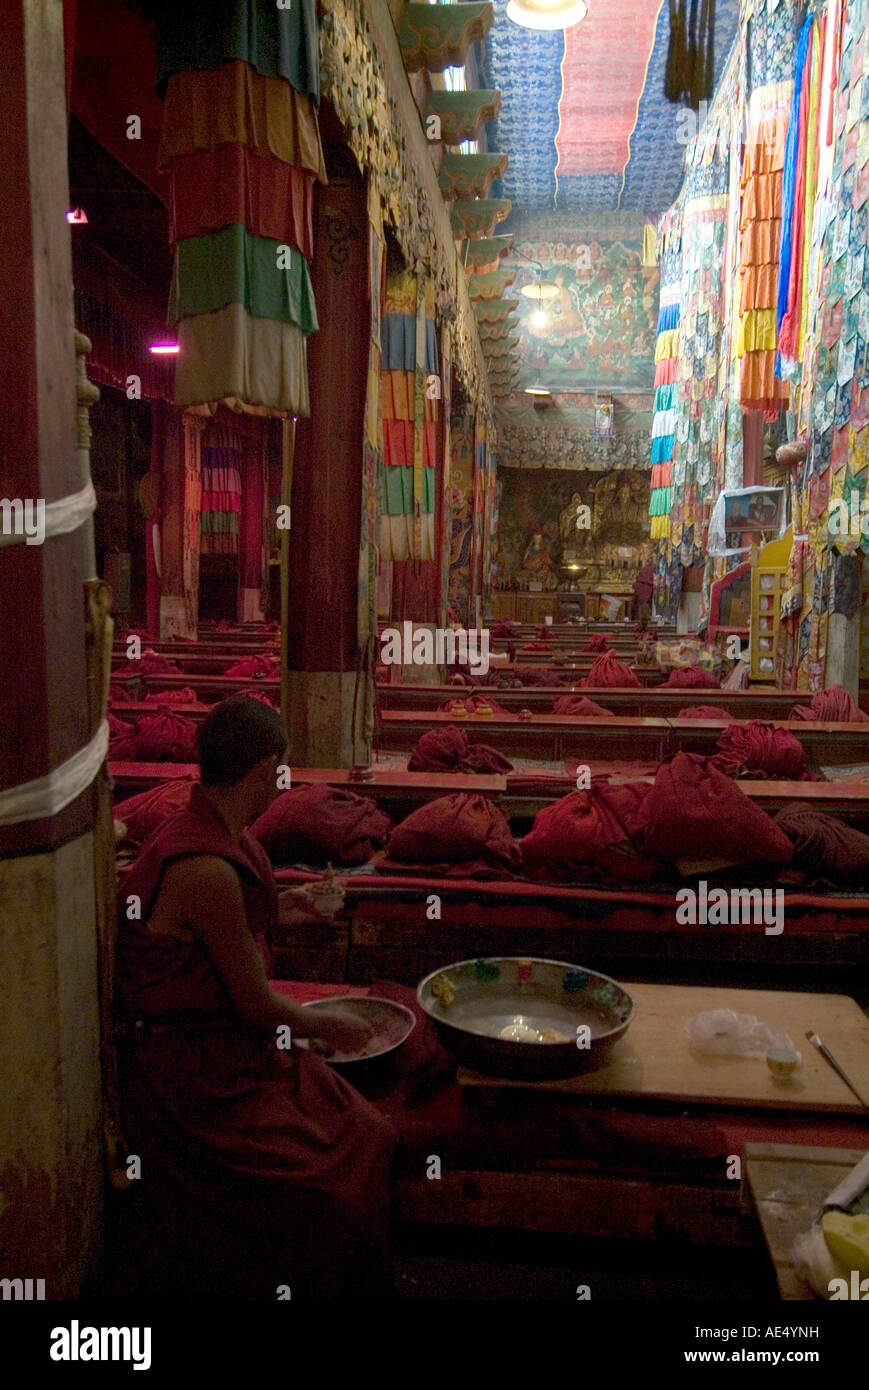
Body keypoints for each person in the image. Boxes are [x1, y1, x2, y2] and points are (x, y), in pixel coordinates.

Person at [114, 696, 396, 1299]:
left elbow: (226, 936)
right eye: (281, 772)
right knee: (335, 1183)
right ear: (264, 771)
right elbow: (257, 1005)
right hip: (192, 1079)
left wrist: (291, 906)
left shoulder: (227, 834)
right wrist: (339, 1025)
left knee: (366, 1126)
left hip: (224, 1047)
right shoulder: (204, 866)